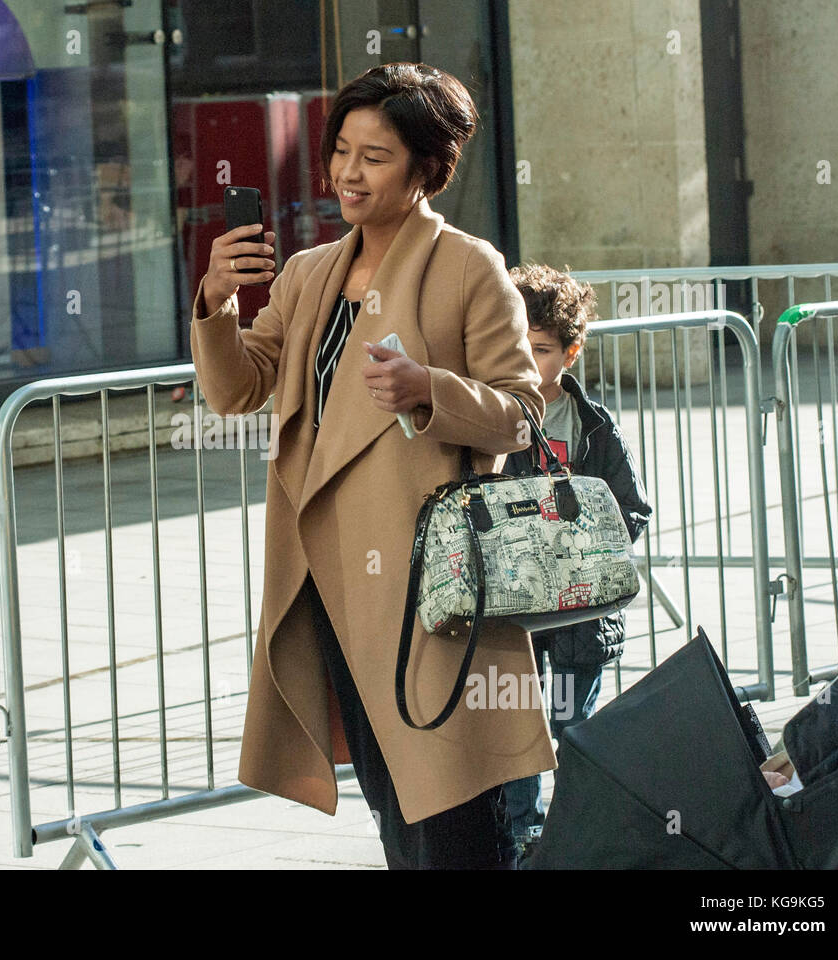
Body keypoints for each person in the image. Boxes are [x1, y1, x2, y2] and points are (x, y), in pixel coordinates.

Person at [190, 62, 555, 869]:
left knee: (455, 807)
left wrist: (431, 390)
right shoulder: (311, 271)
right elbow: (237, 389)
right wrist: (216, 302)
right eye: (341, 151)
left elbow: (523, 412)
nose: (348, 174)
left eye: (375, 156)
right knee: (394, 804)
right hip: (328, 577)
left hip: (432, 583)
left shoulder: (468, 266)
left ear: (428, 167)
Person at [499, 264, 652, 851]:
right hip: (513, 612)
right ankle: (522, 837)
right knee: (516, 727)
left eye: (539, 349)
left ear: (572, 351)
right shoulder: (491, 414)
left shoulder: (594, 427)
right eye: (516, 345)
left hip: (580, 616)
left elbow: (632, 509)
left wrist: (582, 548)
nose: (527, 360)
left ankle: (580, 834)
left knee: (573, 728)